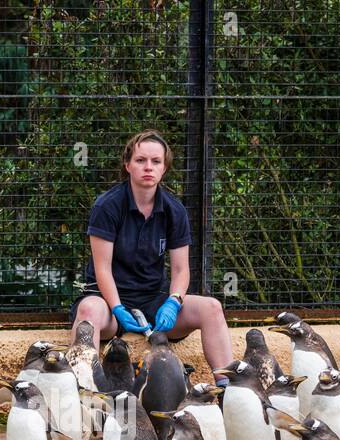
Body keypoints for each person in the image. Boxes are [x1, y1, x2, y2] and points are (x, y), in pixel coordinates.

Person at [70, 129, 231, 377]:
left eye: (156, 161)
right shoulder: (107, 206)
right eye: (140, 160)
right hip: (108, 302)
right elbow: (102, 268)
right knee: (88, 310)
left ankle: (227, 389)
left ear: (164, 168)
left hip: (154, 301)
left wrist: (173, 301)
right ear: (127, 165)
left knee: (211, 307)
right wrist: (117, 308)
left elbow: (180, 269)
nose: (148, 167)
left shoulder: (174, 210)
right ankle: (81, 387)